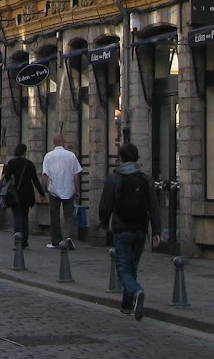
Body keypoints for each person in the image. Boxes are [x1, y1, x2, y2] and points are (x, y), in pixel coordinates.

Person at [97, 142, 161, 319]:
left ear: (121, 158)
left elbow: (105, 204)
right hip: (141, 228)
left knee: (123, 269)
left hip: (122, 228)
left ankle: (136, 291)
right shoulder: (145, 179)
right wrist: (156, 230)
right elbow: (154, 206)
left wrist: (103, 221)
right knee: (132, 267)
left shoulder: (114, 178)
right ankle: (126, 305)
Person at [41, 132, 84, 249]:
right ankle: (69, 237)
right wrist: (77, 189)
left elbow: (45, 175)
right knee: (69, 215)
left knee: (54, 215)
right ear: (63, 142)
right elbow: (76, 174)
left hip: (54, 189)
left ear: (54, 143)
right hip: (68, 189)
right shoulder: (71, 156)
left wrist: (42, 190)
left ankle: (55, 240)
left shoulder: (48, 156)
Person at [0, 143, 47, 248]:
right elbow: (35, 180)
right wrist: (42, 193)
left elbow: (7, 178)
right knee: (24, 217)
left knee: (17, 216)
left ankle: (18, 240)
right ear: (24, 152)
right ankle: (24, 240)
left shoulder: (11, 163)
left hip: (14, 194)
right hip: (27, 195)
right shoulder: (29, 164)